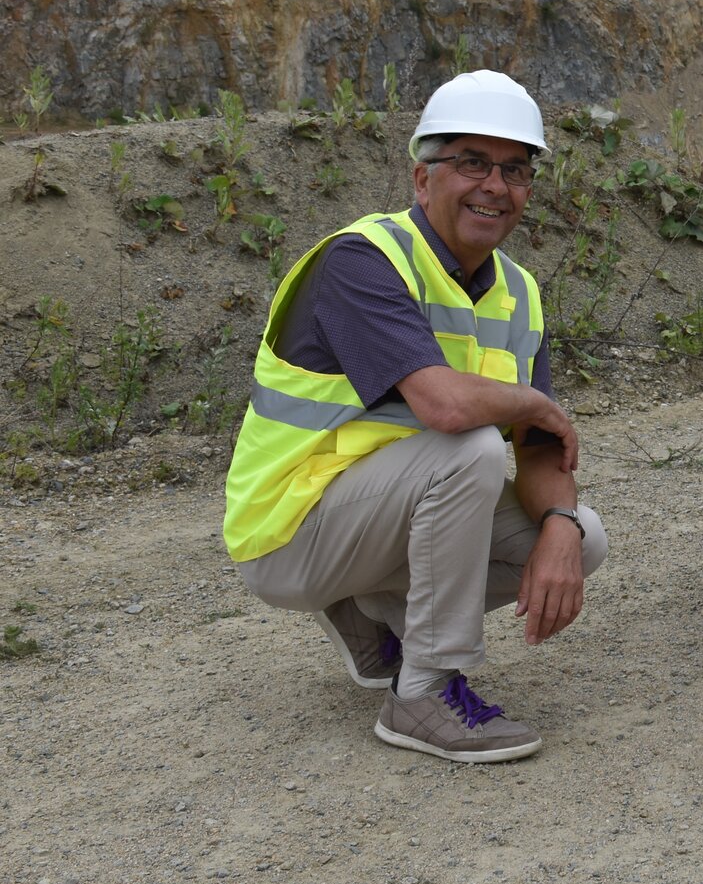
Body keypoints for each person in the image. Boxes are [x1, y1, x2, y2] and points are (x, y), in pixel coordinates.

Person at [222, 70, 606, 763]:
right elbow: (445, 406)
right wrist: (533, 402)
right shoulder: (363, 260)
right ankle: (422, 691)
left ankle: (368, 609)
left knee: (583, 538)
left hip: (378, 516)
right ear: (423, 179)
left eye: (515, 169)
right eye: (472, 163)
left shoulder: (519, 292)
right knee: (470, 450)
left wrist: (559, 525)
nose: (496, 185)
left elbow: (539, 451)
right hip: (289, 529)